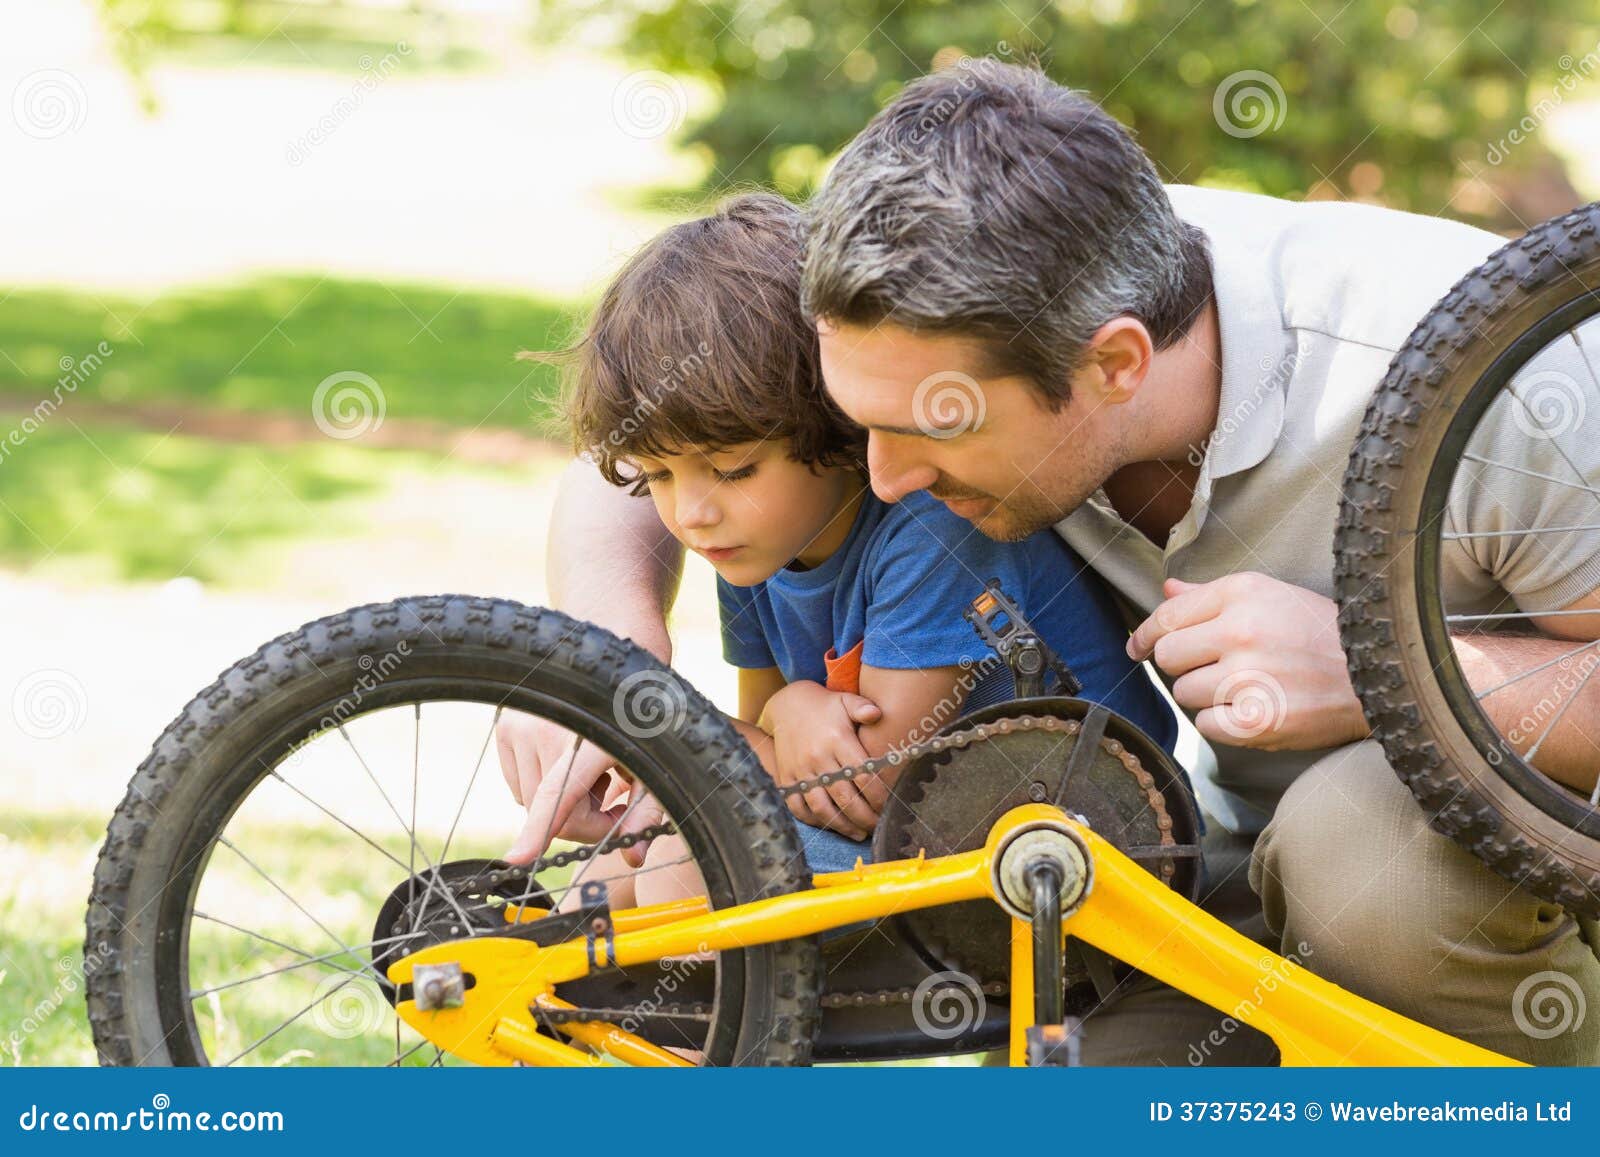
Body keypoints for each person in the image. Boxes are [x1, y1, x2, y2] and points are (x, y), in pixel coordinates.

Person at [504, 61, 1600, 1064]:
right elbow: (661, 436)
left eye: (932, 427)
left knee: (1357, 849)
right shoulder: (933, 300)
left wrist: (1383, 669)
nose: (880, 478)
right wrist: (610, 666)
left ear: (1112, 365)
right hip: (1202, 876)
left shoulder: (1493, 378)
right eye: (852, 423)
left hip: (1476, 877)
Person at [497, 191, 1178, 910]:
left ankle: (723, 1024)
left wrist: (670, 718)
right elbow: (765, 745)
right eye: (660, 475)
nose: (692, 514)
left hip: (1089, 843)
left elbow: (863, 788)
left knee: (684, 865)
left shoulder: (930, 529)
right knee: (602, 883)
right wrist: (778, 718)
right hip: (936, 835)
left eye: (733, 470)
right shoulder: (750, 546)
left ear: (836, 421)